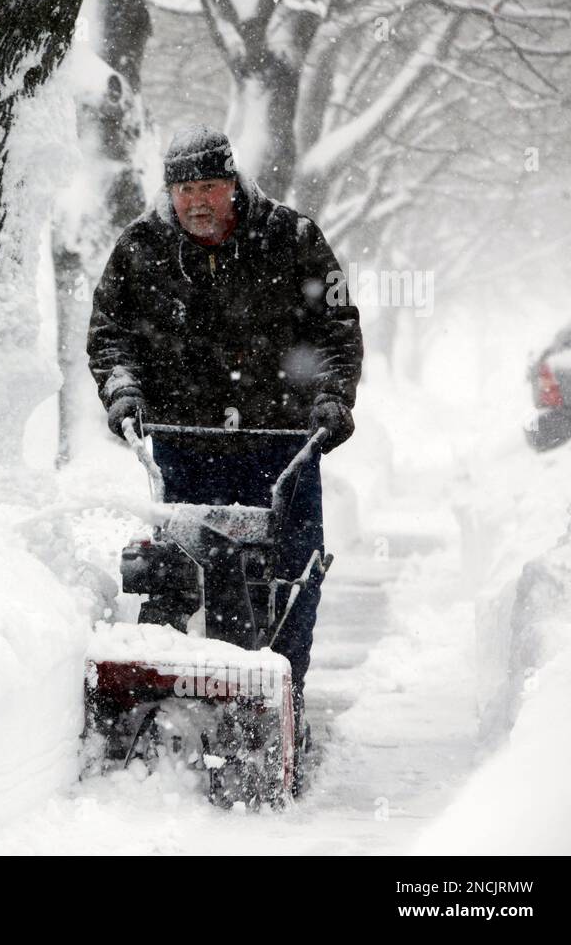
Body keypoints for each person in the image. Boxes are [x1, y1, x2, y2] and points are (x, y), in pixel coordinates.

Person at [87, 124, 363, 791]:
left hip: (283, 444)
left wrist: (330, 398)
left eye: (209, 185)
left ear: (233, 182)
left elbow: (336, 328)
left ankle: (281, 703)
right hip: (187, 443)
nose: (197, 201)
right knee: (183, 571)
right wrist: (124, 391)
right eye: (184, 189)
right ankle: (175, 709)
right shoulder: (140, 251)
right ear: (169, 192)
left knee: (294, 572)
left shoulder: (293, 240)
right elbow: (109, 332)